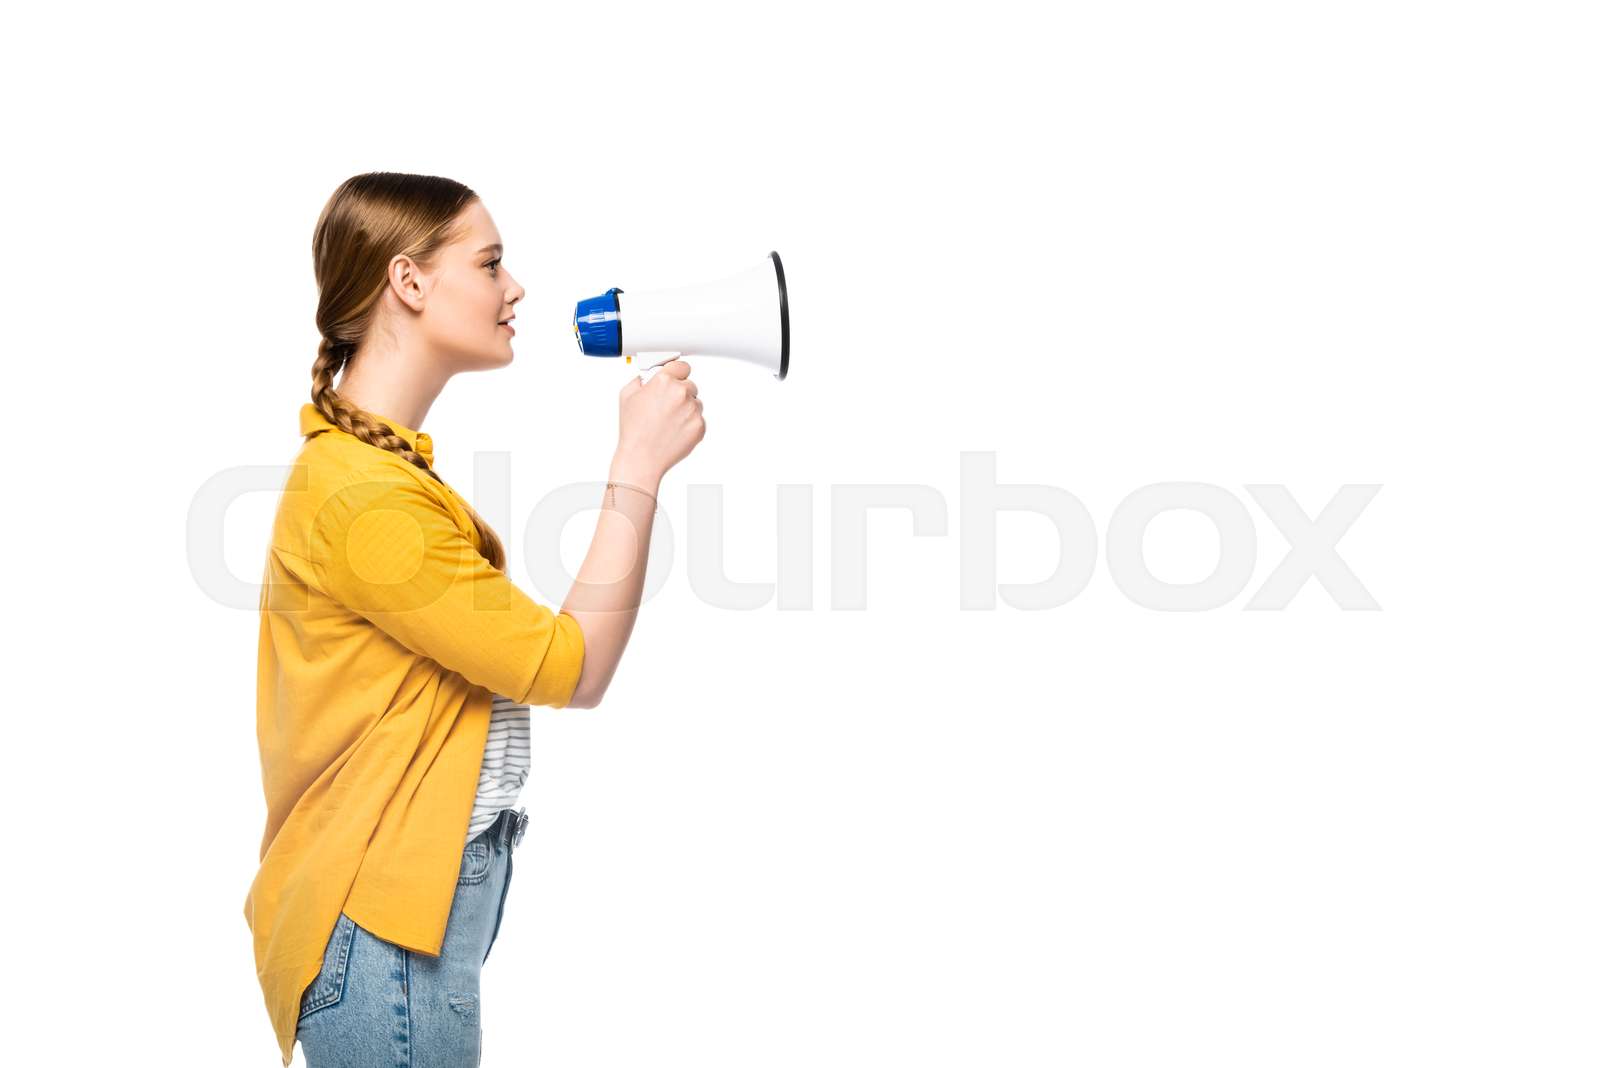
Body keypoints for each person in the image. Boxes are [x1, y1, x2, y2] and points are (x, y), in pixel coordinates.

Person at [243, 171, 705, 1067]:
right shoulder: (364, 497)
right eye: (491, 263)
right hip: (382, 928)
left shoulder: (377, 474)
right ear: (409, 283)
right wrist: (638, 468)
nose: (516, 287)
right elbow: (572, 666)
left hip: (401, 922)